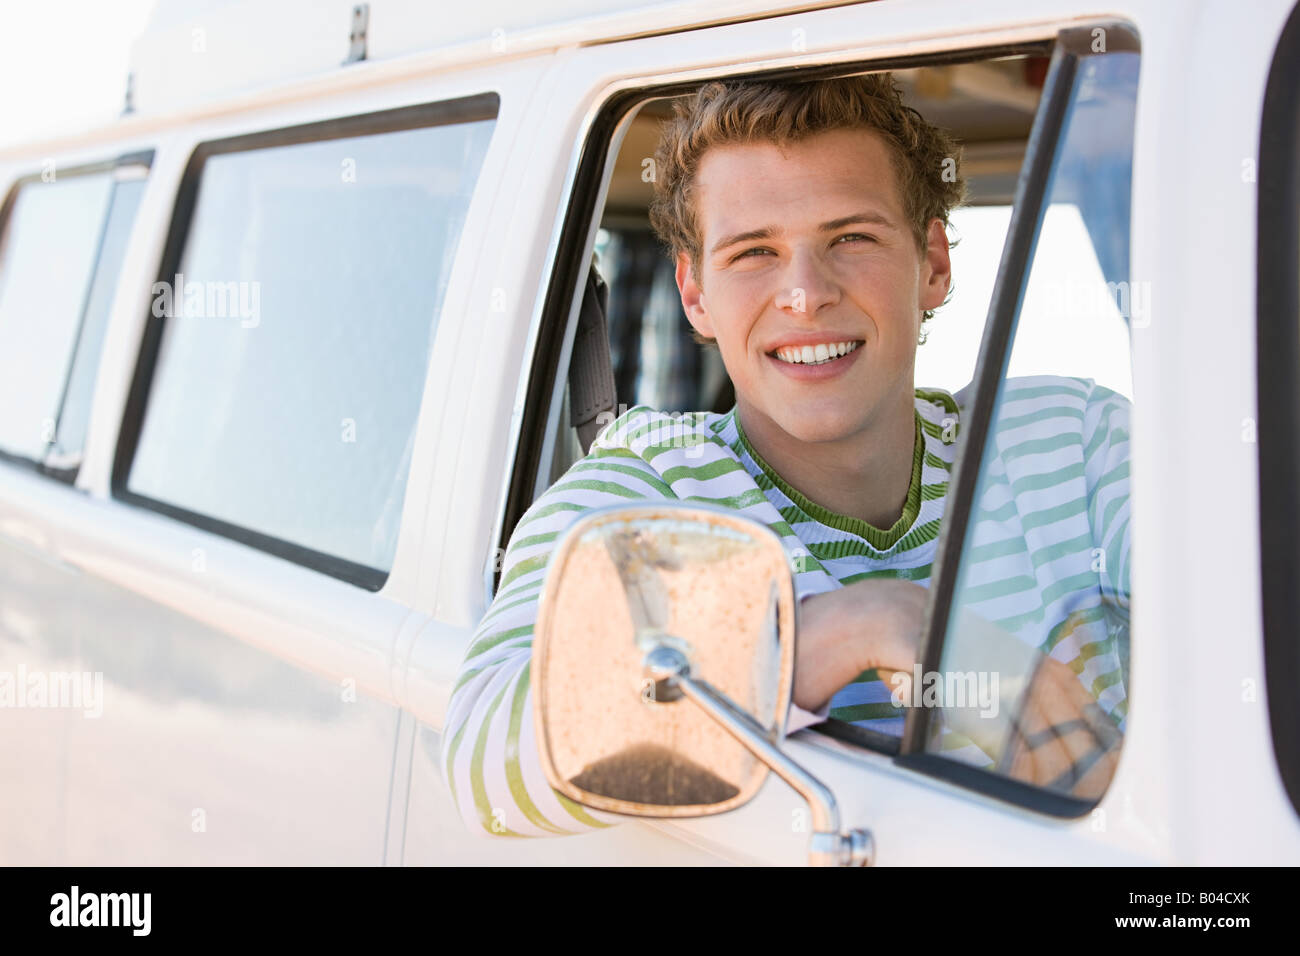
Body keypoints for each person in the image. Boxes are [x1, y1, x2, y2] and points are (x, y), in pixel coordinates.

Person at [442, 73, 1131, 837]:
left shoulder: (1071, 438)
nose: (805, 294)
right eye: (753, 253)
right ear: (696, 295)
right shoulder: (645, 489)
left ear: (932, 263)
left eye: (850, 238)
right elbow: (484, 765)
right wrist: (846, 629)